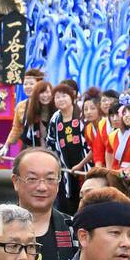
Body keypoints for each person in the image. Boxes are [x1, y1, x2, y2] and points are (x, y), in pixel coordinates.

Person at [46, 81, 90, 213]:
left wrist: (82, 164)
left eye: (64, 96)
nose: (61, 99)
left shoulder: (82, 115)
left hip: (86, 165)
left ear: (72, 97)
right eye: (57, 97)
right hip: (65, 168)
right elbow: (50, 142)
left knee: (86, 197)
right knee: (67, 200)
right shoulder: (55, 118)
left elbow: (92, 143)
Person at [1, 78, 52, 154]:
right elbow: (17, 129)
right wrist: (6, 145)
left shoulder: (54, 108)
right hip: (31, 148)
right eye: (25, 84)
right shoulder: (21, 106)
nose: (28, 87)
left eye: (31, 84)